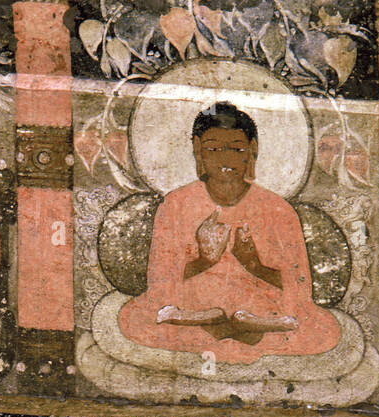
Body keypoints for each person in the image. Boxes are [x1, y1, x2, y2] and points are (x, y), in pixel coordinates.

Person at [117, 102, 342, 364]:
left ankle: (244, 327)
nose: (226, 159)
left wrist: (254, 265)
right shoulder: (175, 205)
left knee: (326, 329)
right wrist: (204, 261)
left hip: (260, 309)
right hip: (194, 306)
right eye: (213, 149)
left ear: (252, 150)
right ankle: (229, 329)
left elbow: (300, 289)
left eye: (236, 149)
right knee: (130, 319)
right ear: (198, 150)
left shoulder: (278, 210)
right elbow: (159, 285)